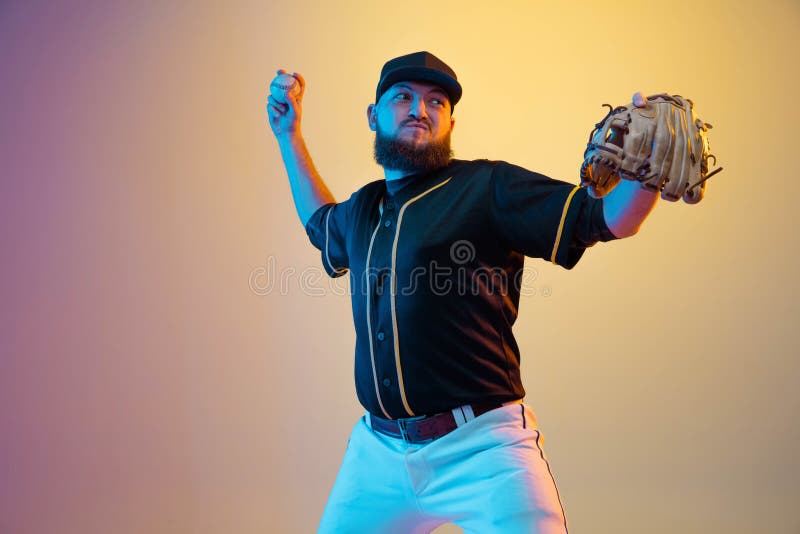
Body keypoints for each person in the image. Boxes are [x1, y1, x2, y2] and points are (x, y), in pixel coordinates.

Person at [266, 51, 658, 534]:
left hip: (482, 447)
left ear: (451, 122)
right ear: (373, 115)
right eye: (403, 97)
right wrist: (289, 137)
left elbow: (603, 218)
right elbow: (319, 224)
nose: (420, 109)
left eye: (437, 101)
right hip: (379, 453)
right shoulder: (364, 207)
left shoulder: (486, 187)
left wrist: (647, 175)